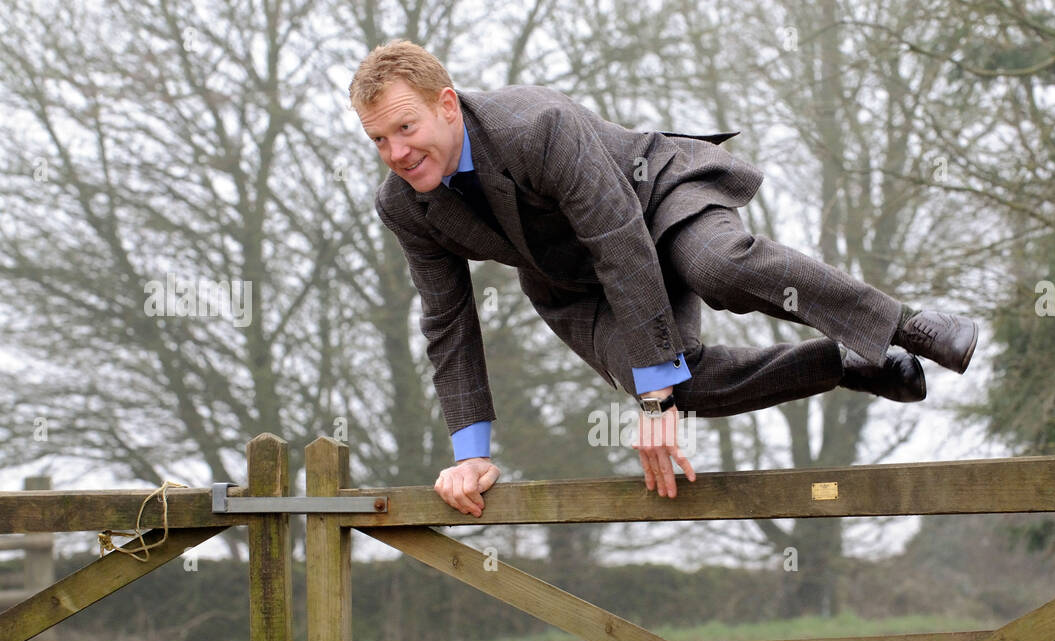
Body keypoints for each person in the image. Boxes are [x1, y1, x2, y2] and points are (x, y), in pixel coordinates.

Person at [351, 40, 978, 517]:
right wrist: (470, 455)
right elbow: (448, 321)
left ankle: (914, 326)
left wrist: (652, 403)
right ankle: (847, 363)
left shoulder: (536, 125)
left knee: (719, 268)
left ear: (448, 104)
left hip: (654, 202)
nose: (397, 153)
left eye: (406, 128)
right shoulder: (404, 205)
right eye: (379, 139)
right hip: (574, 287)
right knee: (685, 384)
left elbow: (619, 240)